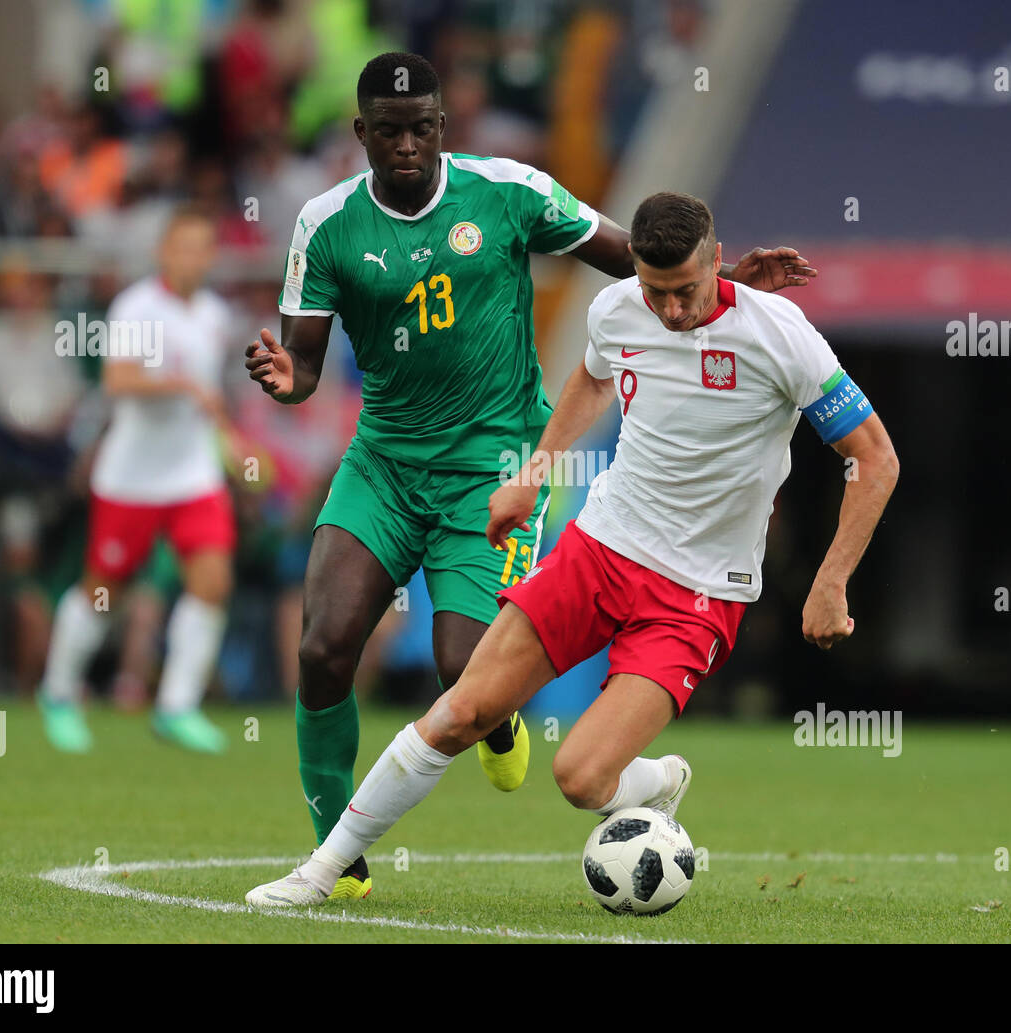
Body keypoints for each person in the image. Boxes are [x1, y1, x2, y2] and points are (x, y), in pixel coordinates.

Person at [243, 51, 819, 900]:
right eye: (390, 131)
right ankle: (337, 853)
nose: (408, 145)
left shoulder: (509, 190)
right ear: (363, 134)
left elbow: (635, 260)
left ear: (445, 127)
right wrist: (285, 379)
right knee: (324, 647)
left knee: (461, 668)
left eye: (424, 128)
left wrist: (727, 285)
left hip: (495, 461)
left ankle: (497, 718)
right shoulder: (326, 224)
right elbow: (301, 363)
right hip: (385, 461)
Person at [38, 206, 237, 754]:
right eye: (184, 246)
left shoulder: (215, 316)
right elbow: (119, 379)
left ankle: (176, 706)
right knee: (104, 592)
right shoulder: (136, 308)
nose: (193, 257)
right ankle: (58, 693)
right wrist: (179, 386)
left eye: (203, 247)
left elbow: (211, 401)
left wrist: (232, 442)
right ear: (163, 252)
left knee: (213, 581)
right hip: (131, 478)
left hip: (193, 474)